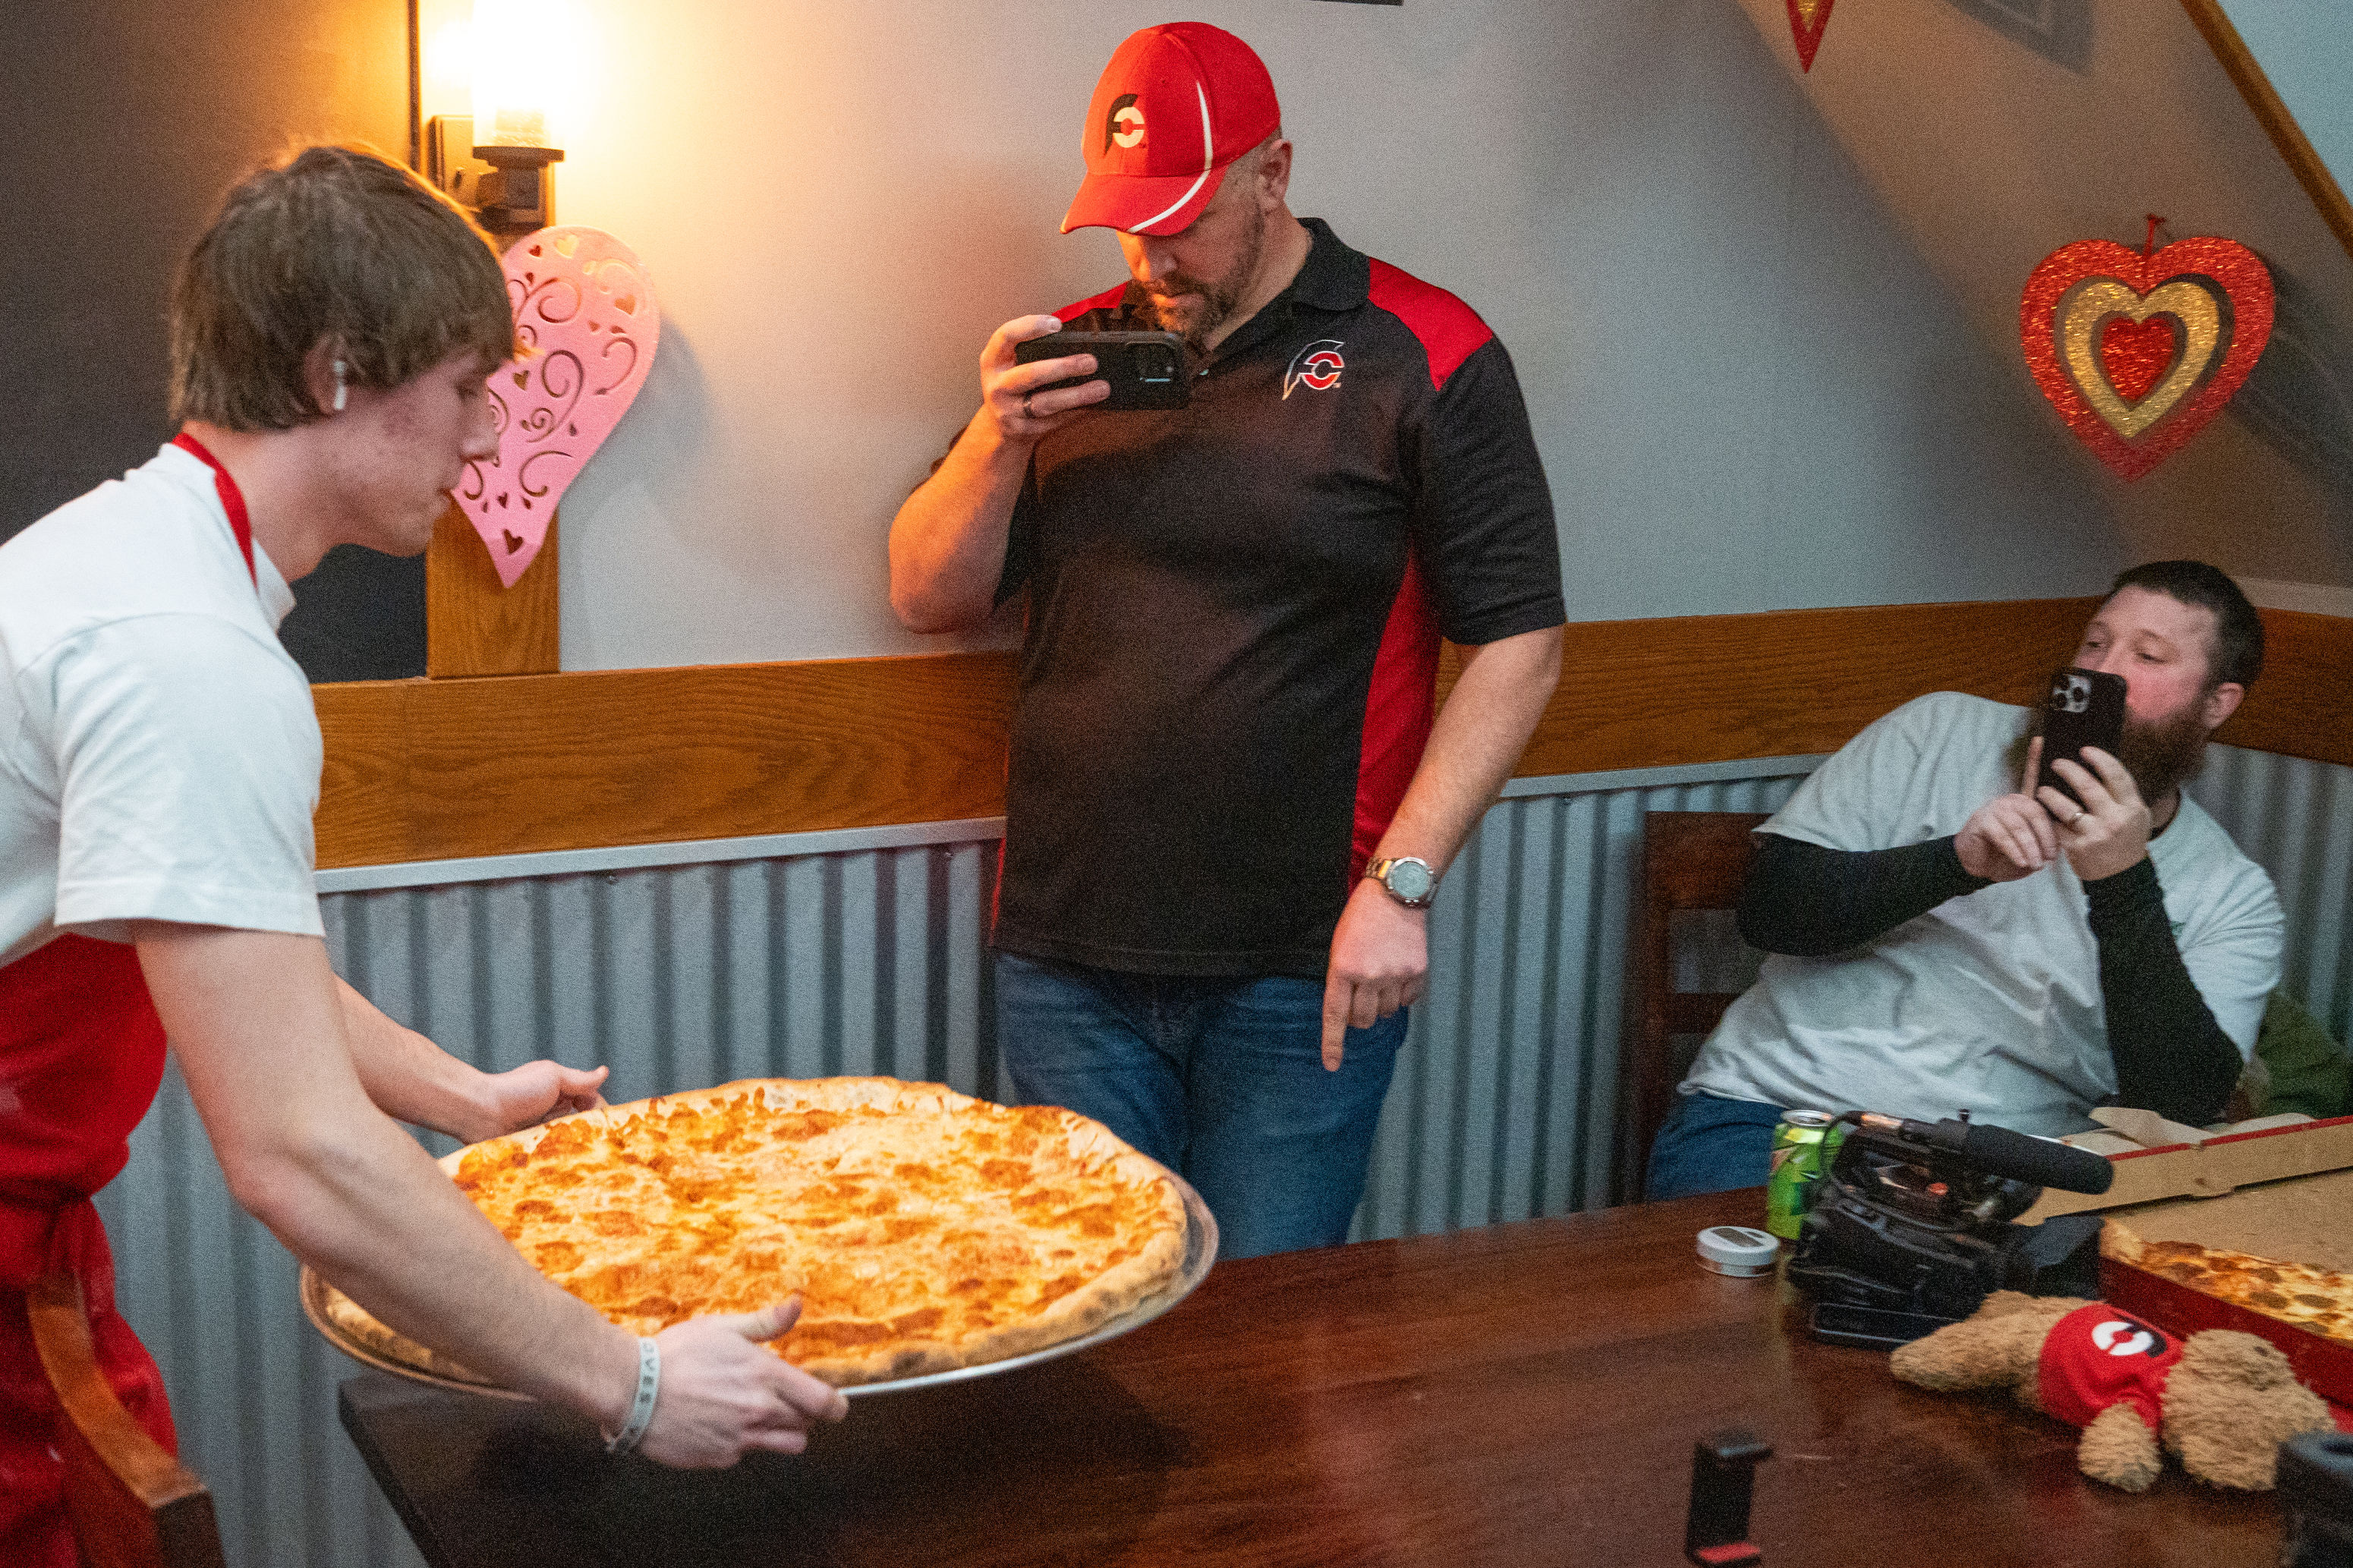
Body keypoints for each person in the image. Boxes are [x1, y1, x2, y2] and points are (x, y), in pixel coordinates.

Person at [0, 146, 844, 1566]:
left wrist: (465, 1096)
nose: (487, 435)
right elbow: (297, 1154)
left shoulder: (131, 564)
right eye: (463, 387)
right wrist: (634, 1383)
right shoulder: (183, 654)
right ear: (336, 373)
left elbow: (218, 952)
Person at [888, 23, 1567, 1257]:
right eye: (1129, 222)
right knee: (1093, 1310)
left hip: (1302, 964)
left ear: (1274, 174)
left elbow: (1520, 645)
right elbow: (926, 593)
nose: (1154, 256)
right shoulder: (1068, 356)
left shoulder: (1425, 351)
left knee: (1264, 1330)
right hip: (1067, 951)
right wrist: (998, 435)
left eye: (1185, 220)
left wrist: (1402, 887)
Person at [1646, 562, 2283, 1199]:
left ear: (2216, 704)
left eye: (2148, 656)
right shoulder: (1938, 730)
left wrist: (2122, 883)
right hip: (1786, 1114)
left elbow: (2181, 1105)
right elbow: (1771, 911)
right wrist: (1956, 861)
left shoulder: (2233, 894)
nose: (2101, 671)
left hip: (2013, 1164)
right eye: (2094, 642)